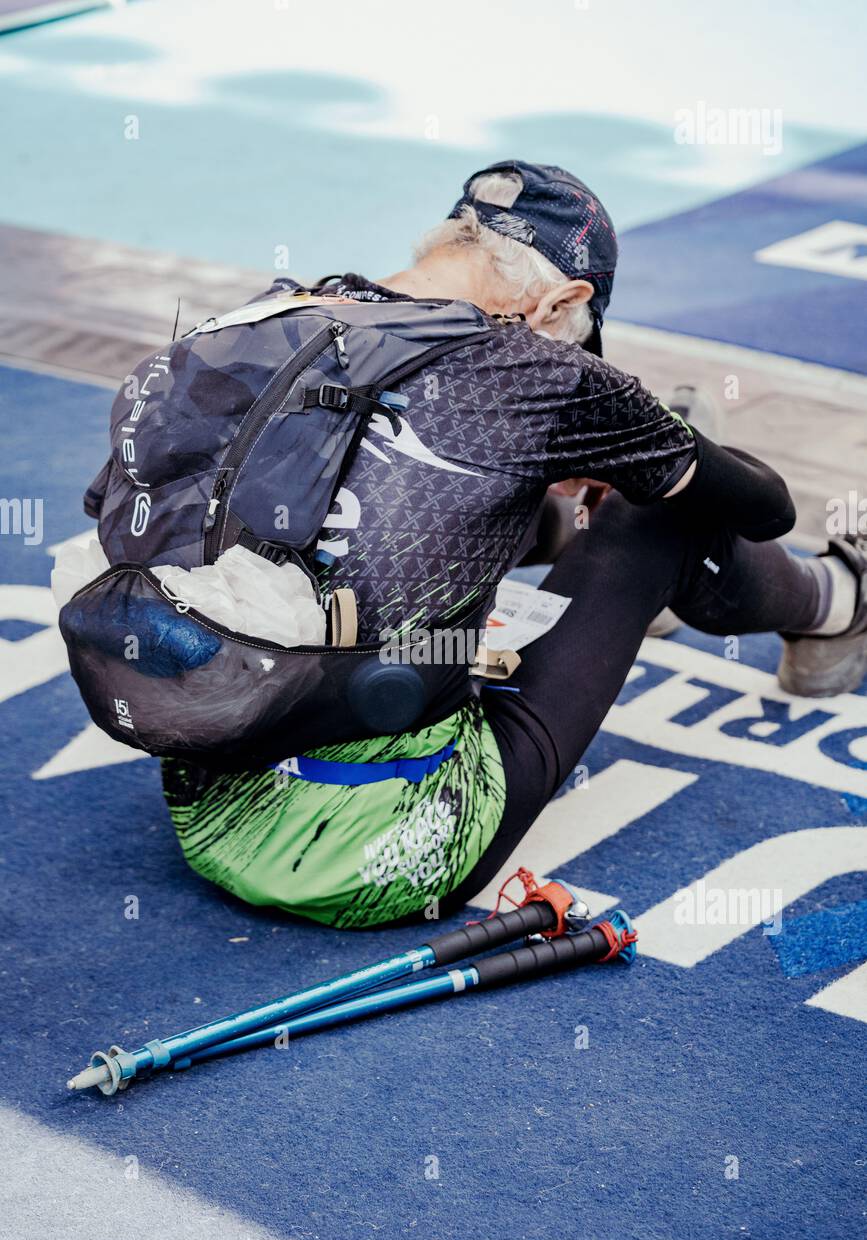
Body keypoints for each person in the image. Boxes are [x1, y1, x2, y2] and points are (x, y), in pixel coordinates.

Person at [162, 160, 866, 928]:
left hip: (207, 808)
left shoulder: (262, 319)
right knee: (656, 517)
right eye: (574, 334)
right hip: (389, 854)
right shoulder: (539, 373)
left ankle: (636, 571)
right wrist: (636, 451)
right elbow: (764, 507)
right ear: (564, 300)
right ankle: (838, 605)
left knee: (394, 498)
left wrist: (539, 471)